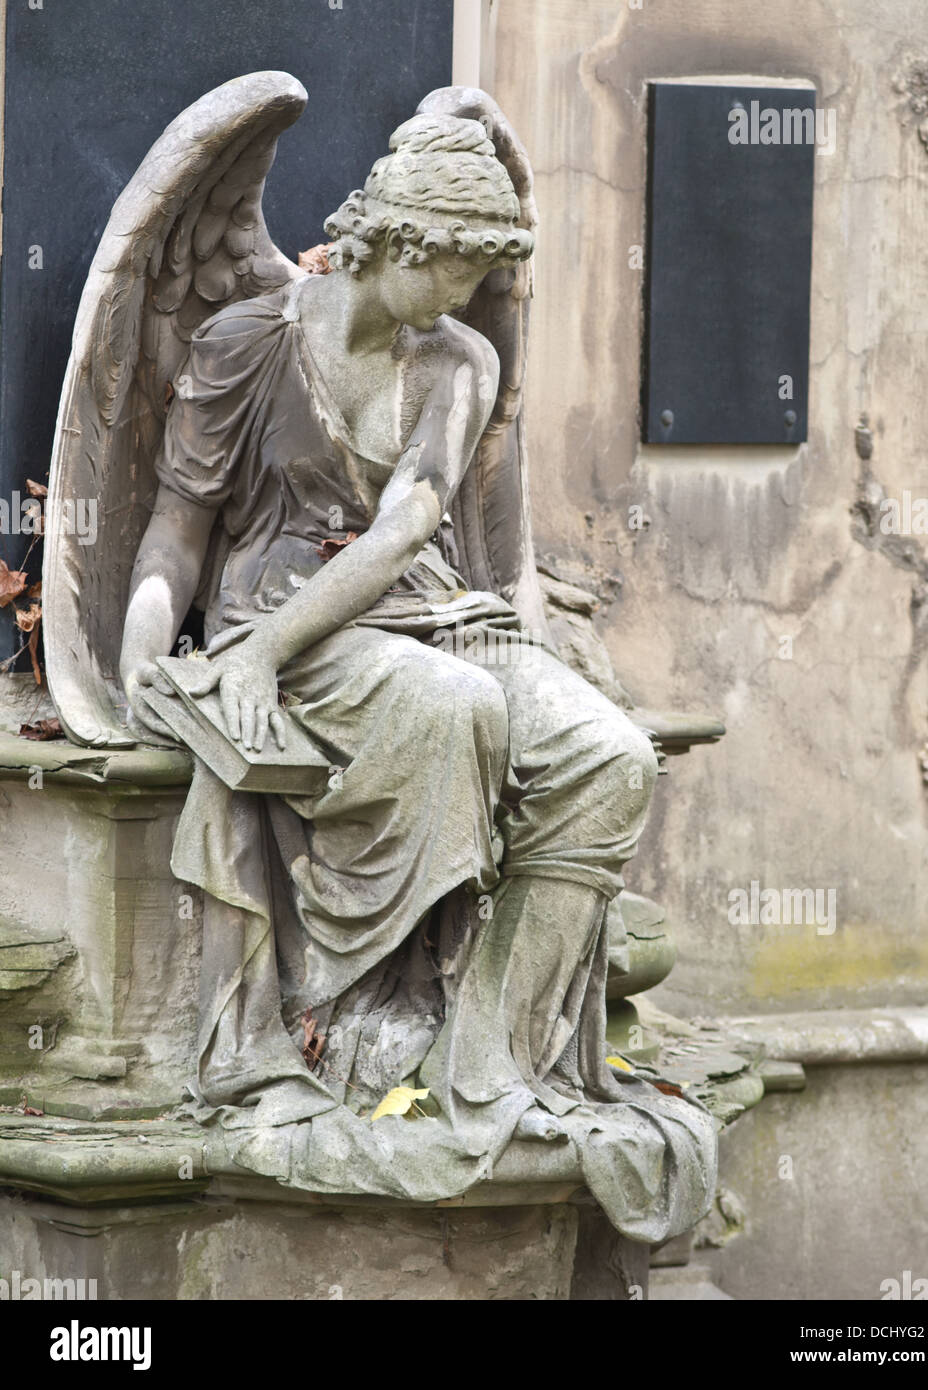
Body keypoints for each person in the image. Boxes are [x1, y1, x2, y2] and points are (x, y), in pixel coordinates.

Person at [117, 113, 715, 1239]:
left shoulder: (460, 360)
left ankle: (489, 1062)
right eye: (451, 262)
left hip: (434, 611)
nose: (465, 290)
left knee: (609, 756)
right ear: (390, 235)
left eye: (485, 270)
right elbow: (175, 529)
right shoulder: (245, 340)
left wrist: (266, 654)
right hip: (289, 623)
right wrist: (150, 657)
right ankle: (359, 1017)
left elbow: (410, 528)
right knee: (457, 708)